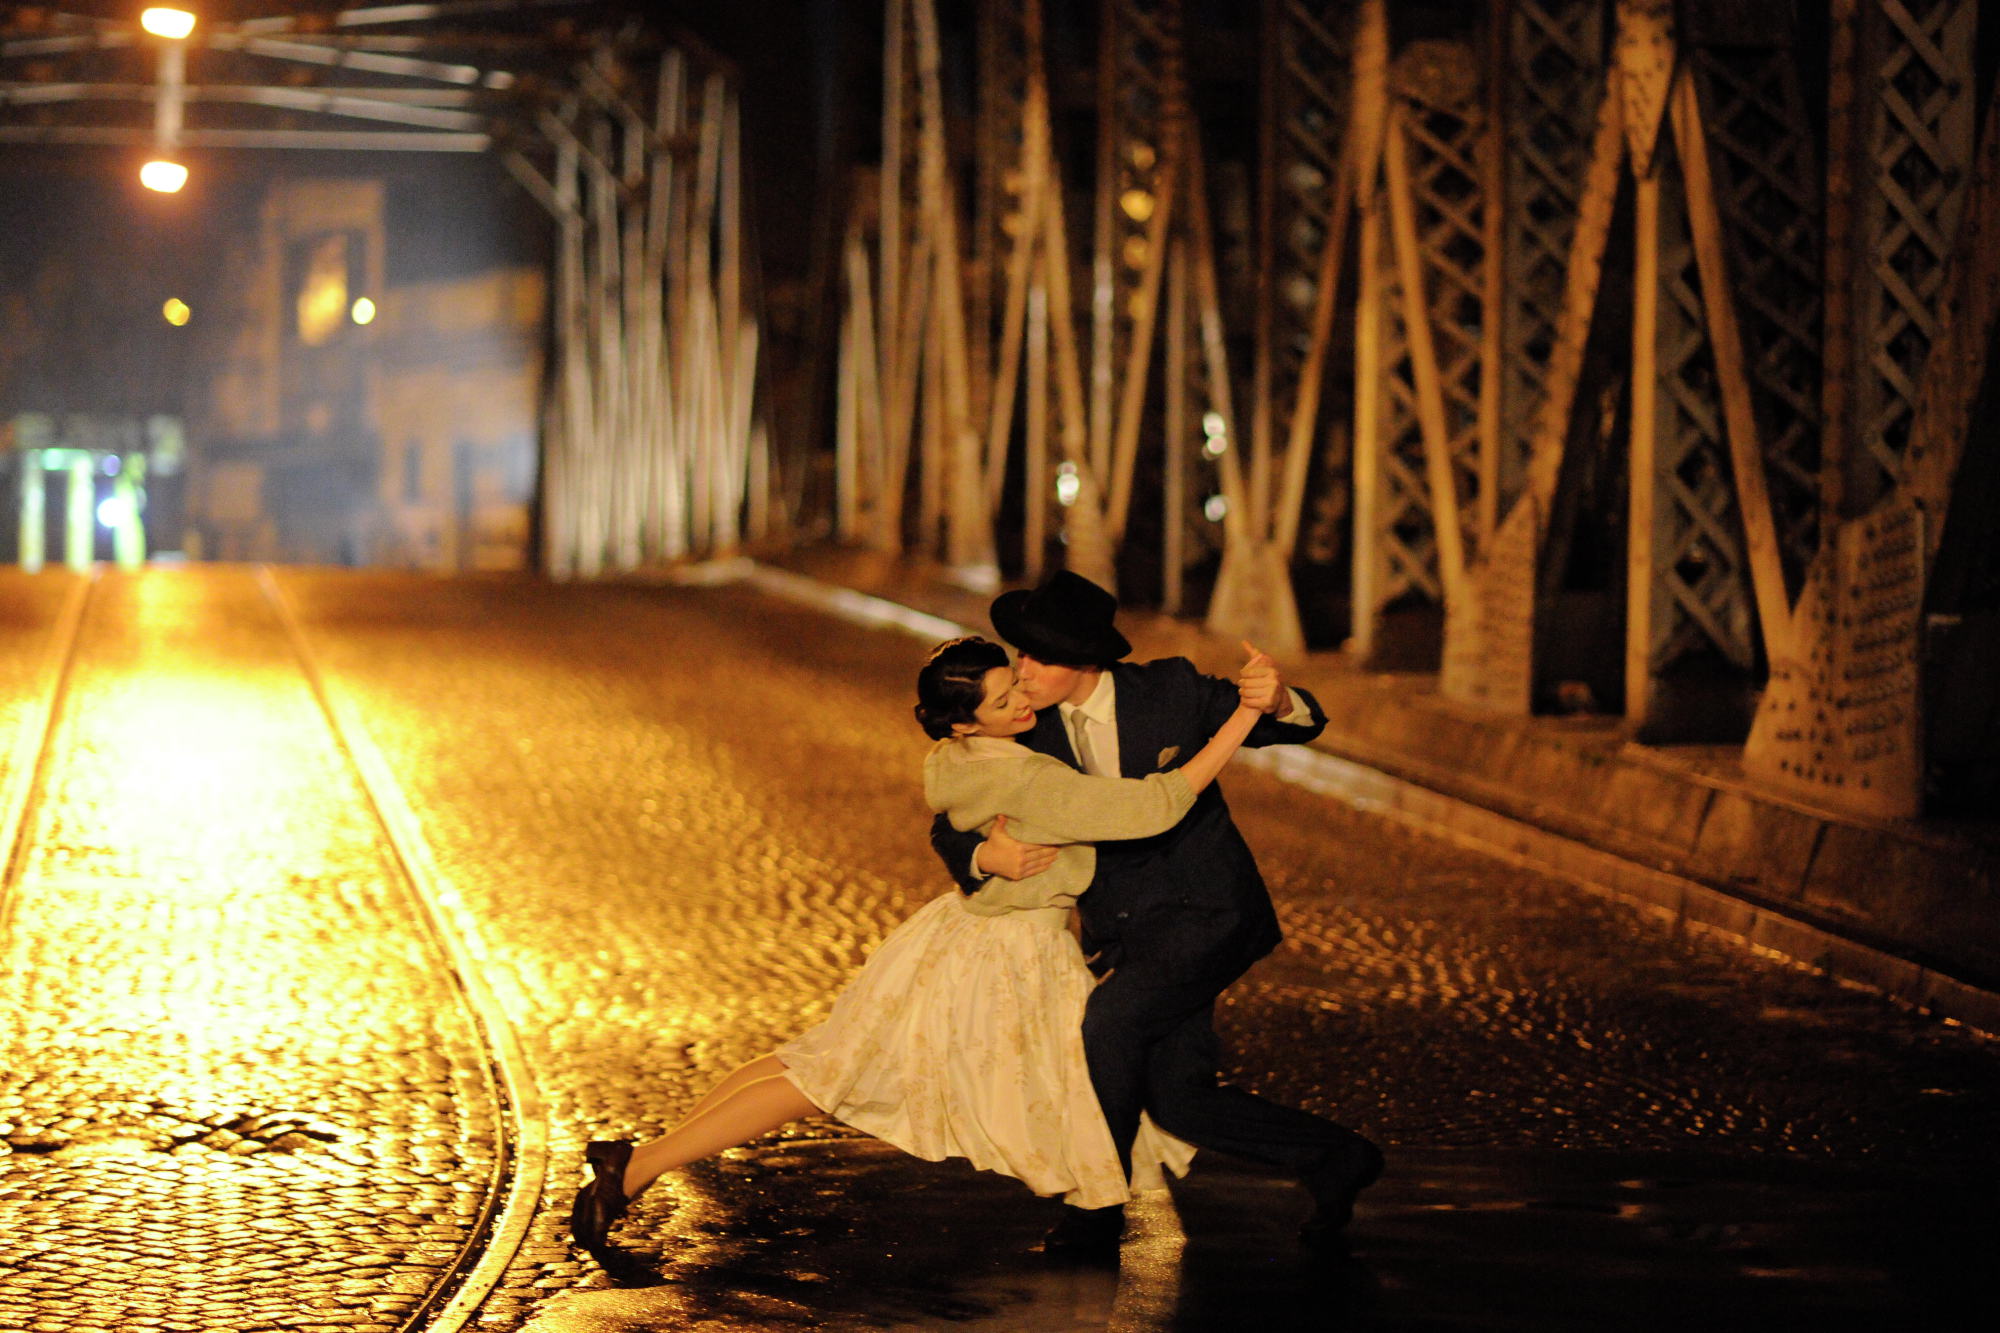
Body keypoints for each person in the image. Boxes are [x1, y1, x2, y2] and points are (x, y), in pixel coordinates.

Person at [568, 635, 1272, 1252]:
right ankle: (630, 1169)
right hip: (1002, 956)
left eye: (1015, 682)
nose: (1024, 700)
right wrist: (1242, 714)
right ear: (968, 720)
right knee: (830, 1077)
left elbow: (965, 809)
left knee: (819, 1062)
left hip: (960, 935)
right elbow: (1158, 803)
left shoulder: (954, 756)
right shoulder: (1030, 778)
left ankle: (639, 1165)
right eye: (1003, 701)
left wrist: (983, 856)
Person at [930, 570, 1383, 1257]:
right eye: (1020, 654)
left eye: (1039, 658)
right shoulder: (1024, 725)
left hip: (1210, 913)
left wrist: (1280, 697)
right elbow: (955, 807)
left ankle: (1096, 1208)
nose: (1023, 671)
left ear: (1086, 662)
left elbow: (1297, 721)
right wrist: (982, 855)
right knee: (1177, 1100)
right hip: (1124, 931)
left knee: (1109, 1024)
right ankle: (1337, 1158)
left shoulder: (1169, 691)